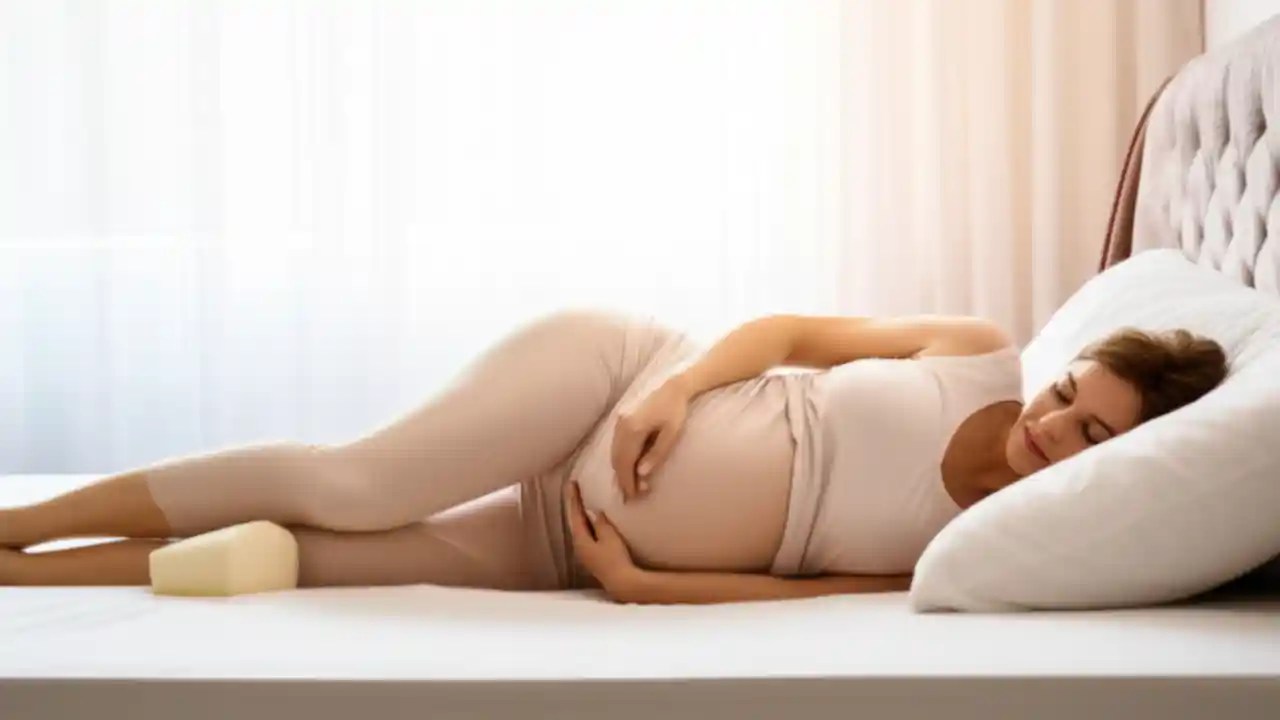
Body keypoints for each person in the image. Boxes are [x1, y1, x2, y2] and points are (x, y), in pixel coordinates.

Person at [0, 309, 1228, 604]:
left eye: (1087, 434)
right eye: (1069, 392)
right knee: (352, 481)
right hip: (610, 387)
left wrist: (643, 588)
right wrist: (673, 390)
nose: (1050, 423)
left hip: (572, 550)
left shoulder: (982, 550)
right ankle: (21, 520)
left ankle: (19, 579)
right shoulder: (976, 353)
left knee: (320, 562)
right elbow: (793, 332)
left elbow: (800, 600)